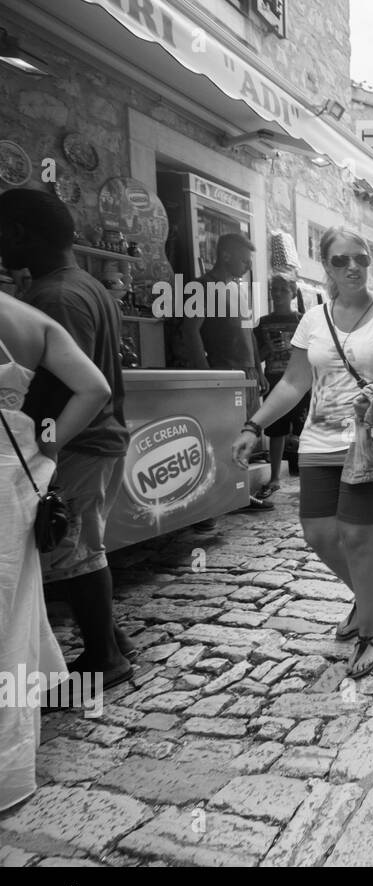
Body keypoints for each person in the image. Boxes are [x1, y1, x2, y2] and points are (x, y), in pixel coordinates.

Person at [232, 227, 373, 678]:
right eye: (341, 261)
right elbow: (293, 382)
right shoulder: (313, 321)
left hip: (371, 444)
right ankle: (365, 597)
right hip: (320, 444)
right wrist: (254, 425)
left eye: (360, 258)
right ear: (328, 268)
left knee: (358, 539)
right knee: (320, 535)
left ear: (369, 263)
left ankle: (370, 631)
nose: (353, 266)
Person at [0, 188, 133, 690]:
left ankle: (105, 658)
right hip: (94, 441)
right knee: (80, 546)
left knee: (73, 552)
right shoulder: (84, 287)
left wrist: (45, 445)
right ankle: (113, 643)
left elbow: (71, 387)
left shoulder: (56, 296)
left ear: (18, 233)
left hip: (79, 444)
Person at [0, 293, 114, 810]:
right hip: (12, 475)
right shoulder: (29, 319)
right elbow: (93, 387)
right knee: (15, 610)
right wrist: (48, 442)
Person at [185, 231, 270, 521]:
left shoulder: (238, 289)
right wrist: (205, 376)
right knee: (217, 440)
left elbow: (249, 334)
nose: (247, 265)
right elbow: (190, 331)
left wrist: (258, 371)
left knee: (245, 435)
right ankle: (207, 506)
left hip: (245, 374)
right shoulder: (202, 287)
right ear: (225, 255)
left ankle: (238, 493)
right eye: (244, 259)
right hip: (222, 374)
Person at [252, 272, 310, 501]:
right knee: (276, 431)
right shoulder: (264, 323)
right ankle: (274, 478)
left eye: (282, 290)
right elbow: (255, 352)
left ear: (293, 293)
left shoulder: (303, 320)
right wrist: (258, 374)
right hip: (275, 381)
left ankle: (308, 480)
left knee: (304, 433)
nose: (277, 294)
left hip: (301, 384)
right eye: (273, 290)